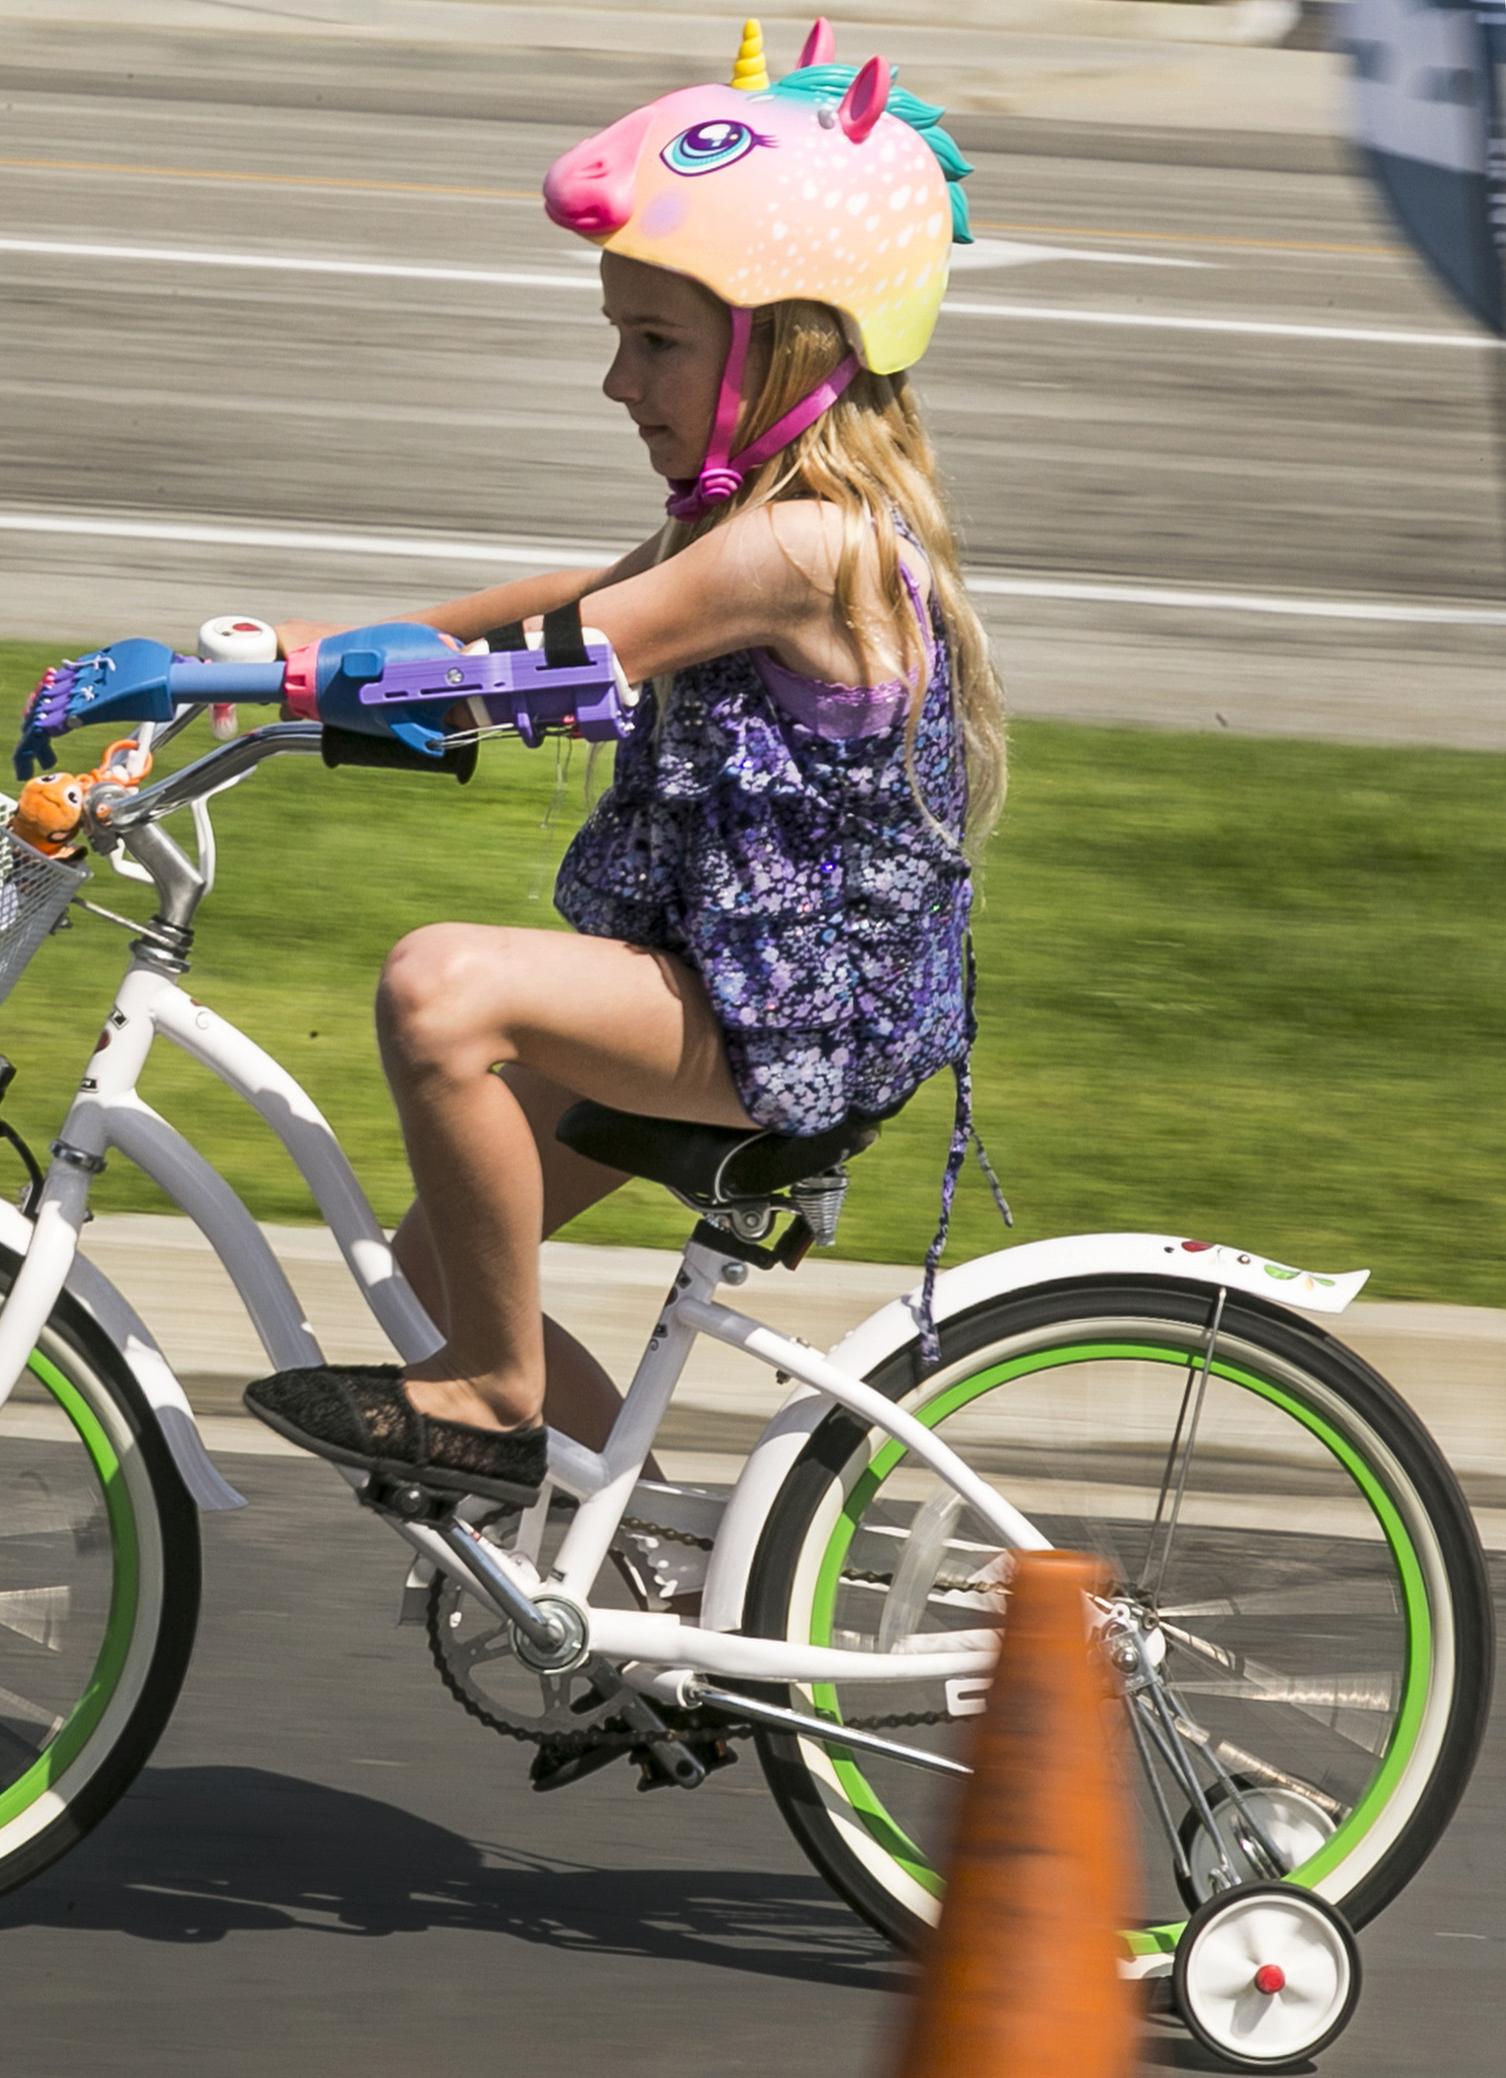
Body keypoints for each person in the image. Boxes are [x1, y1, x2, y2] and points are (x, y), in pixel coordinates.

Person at [242, 20, 1008, 1509]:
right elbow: (541, 605)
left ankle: (495, 1400)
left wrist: (322, 687)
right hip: (730, 986)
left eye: (654, 340)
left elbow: (549, 660)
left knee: (439, 990)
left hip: (787, 1019)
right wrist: (278, 651)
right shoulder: (740, 528)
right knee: (448, 1247)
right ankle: (618, 1549)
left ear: (793, 340)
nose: (616, 381)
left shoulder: (801, 547)